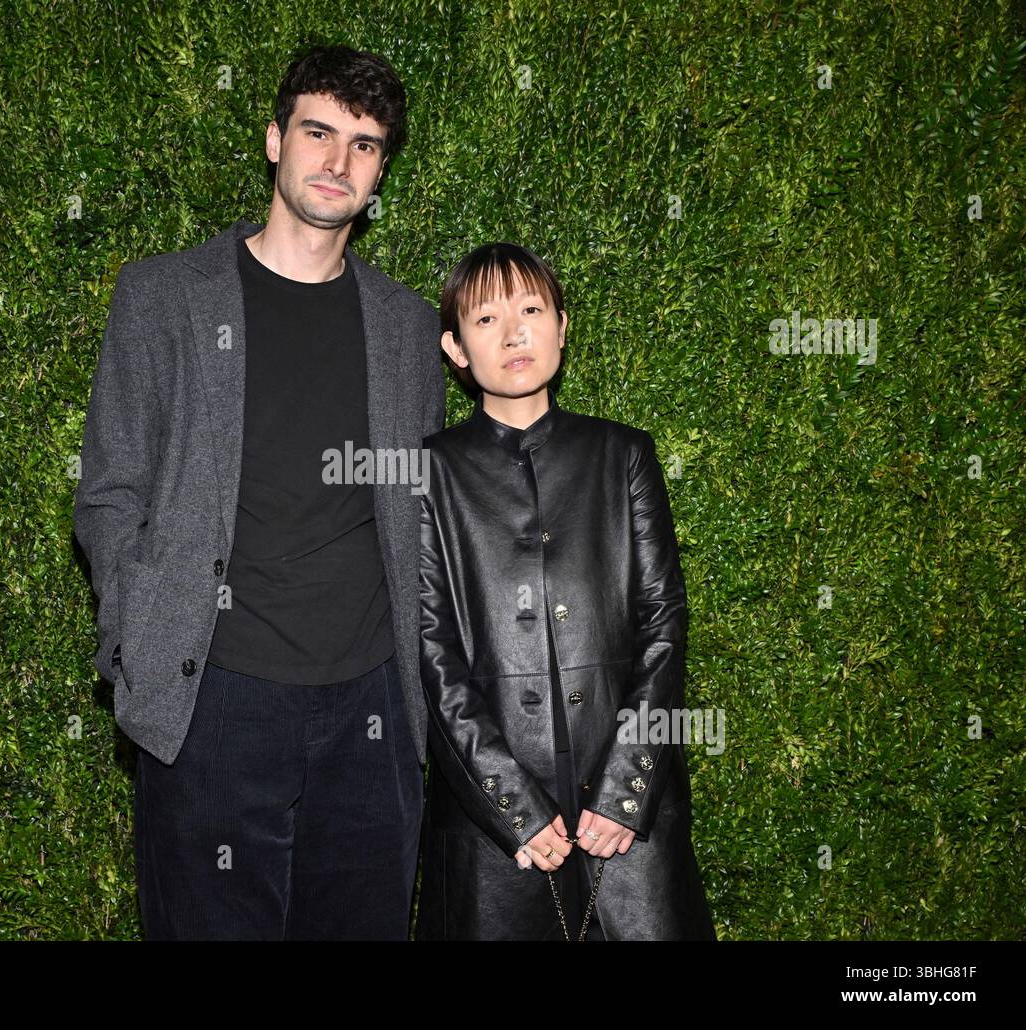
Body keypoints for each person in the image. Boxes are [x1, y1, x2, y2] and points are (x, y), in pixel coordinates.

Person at [73, 45, 445, 939]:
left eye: (364, 145)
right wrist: (142, 635)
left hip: (372, 709)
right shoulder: (164, 296)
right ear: (275, 140)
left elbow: (424, 514)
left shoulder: (408, 328)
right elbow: (109, 492)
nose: (338, 161)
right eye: (319, 133)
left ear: (380, 170)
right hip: (214, 701)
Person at [414, 242, 717, 940]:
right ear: (455, 348)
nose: (514, 333)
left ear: (562, 325)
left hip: (631, 827)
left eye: (530, 309)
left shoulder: (624, 455)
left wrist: (625, 789)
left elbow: (663, 625)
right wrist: (513, 808)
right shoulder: (428, 472)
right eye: (485, 319)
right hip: (493, 837)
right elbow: (432, 652)